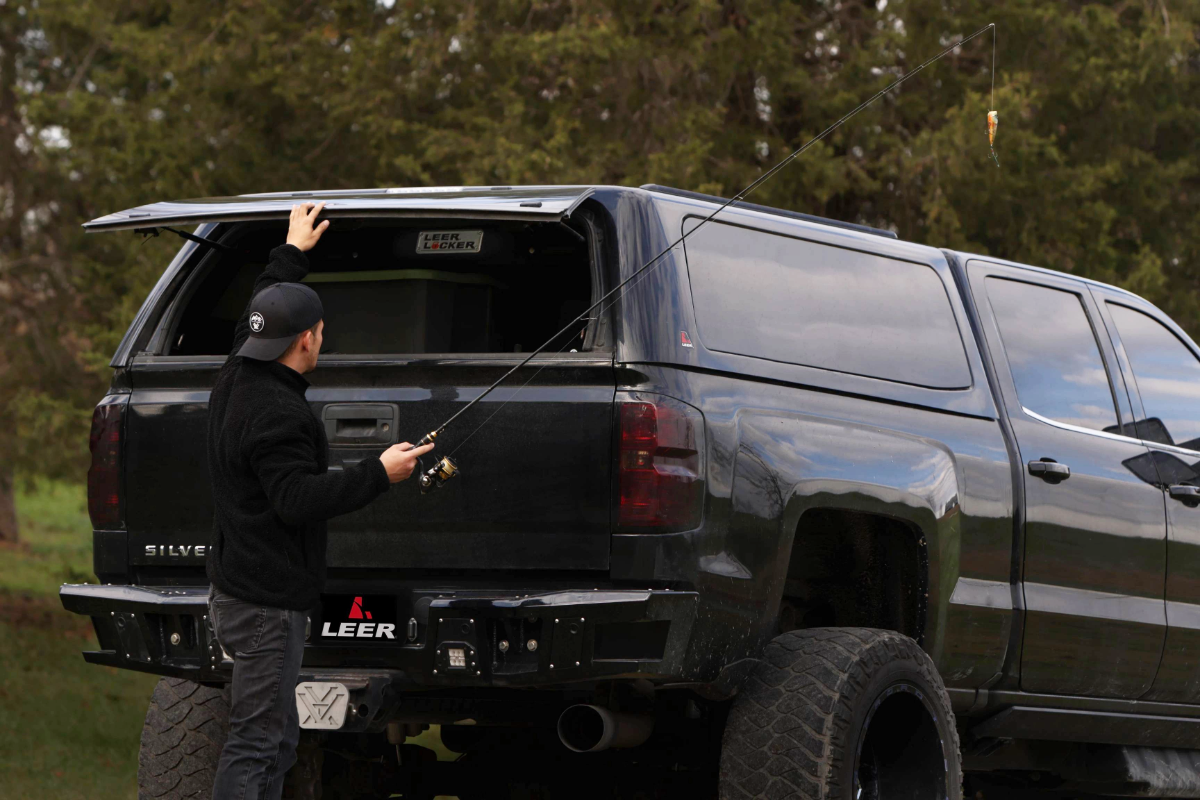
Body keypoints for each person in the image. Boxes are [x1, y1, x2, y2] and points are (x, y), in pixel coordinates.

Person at [204, 202, 433, 799]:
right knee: (257, 744)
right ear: (307, 339)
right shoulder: (279, 413)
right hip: (265, 609)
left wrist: (292, 252)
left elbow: (262, 304)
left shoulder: (236, 372)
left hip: (237, 589)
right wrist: (379, 472)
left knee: (276, 740)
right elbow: (296, 499)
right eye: (322, 331)